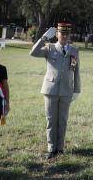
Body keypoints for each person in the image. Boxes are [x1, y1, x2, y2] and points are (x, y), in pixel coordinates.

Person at [30, 23, 81, 157]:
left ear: (69, 35)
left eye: (66, 34)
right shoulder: (49, 48)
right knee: (51, 120)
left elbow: (76, 71)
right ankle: (51, 148)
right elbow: (33, 52)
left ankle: (60, 148)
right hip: (50, 90)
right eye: (61, 33)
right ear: (57, 34)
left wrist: (77, 89)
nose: (64, 36)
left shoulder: (74, 51)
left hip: (66, 90)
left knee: (63, 120)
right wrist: (43, 38)